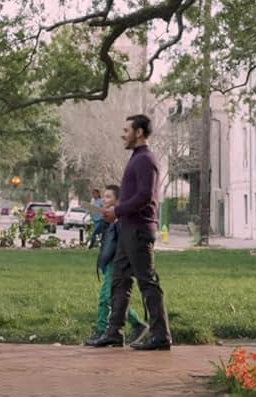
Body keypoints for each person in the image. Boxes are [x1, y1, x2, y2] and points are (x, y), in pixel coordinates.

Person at [89, 114, 172, 351]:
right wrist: (115, 212)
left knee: (148, 282)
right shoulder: (136, 158)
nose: (122, 134)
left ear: (139, 132)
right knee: (119, 281)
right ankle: (114, 332)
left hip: (139, 230)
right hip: (127, 229)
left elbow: (145, 197)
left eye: (126, 130)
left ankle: (161, 336)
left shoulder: (146, 159)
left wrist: (118, 210)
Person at [84, 185, 147, 346]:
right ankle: (138, 325)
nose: (104, 200)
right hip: (108, 262)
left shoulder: (123, 219)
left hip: (117, 261)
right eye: (103, 197)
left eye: (108, 197)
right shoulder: (106, 219)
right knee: (115, 298)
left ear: (118, 201)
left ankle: (101, 330)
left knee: (106, 297)